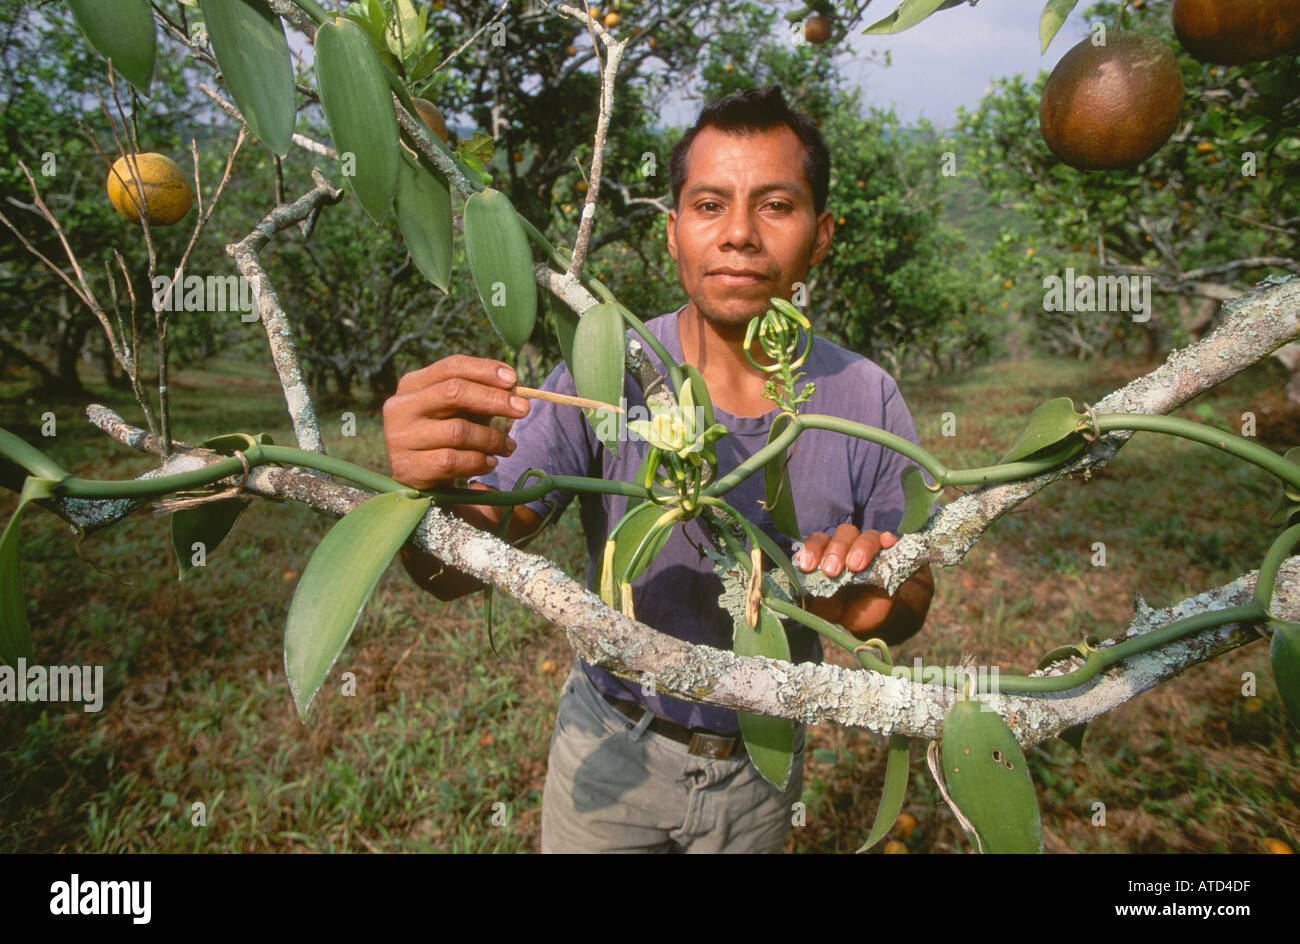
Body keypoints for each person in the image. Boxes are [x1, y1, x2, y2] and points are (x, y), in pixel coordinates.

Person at [382, 85, 935, 853]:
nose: (739, 235)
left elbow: (908, 599)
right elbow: (459, 568)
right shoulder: (605, 370)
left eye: (776, 205)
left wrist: (871, 596)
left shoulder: (865, 398)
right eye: (709, 205)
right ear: (672, 233)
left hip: (762, 766)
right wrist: (422, 490)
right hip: (609, 750)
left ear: (822, 235)